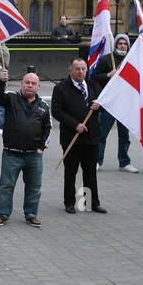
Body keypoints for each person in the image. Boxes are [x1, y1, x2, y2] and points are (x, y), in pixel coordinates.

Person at [0, 68, 51, 227]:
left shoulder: (44, 105)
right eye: (27, 82)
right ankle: (3, 213)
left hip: (34, 155)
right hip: (12, 153)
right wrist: (1, 82)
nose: (29, 85)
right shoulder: (11, 97)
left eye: (33, 83)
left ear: (38, 87)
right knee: (6, 186)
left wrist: (41, 148)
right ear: (21, 84)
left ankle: (31, 214)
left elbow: (48, 128)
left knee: (34, 187)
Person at [50, 59, 106, 215]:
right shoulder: (61, 88)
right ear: (70, 71)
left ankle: (90, 203)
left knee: (89, 173)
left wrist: (100, 106)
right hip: (72, 137)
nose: (80, 72)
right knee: (71, 172)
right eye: (77, 69)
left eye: (83, 69)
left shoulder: (94, 86)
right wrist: (75, 125)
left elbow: (104, 107)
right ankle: (69, 202)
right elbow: (57, 111)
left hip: (92, 137)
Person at [91, 34, 139, 174]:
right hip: (109, 103)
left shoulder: (131, 60)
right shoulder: (107, 59)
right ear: (116, 45)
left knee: (124, 135)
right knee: (102, 134)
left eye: (125, 44)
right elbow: (94, 77)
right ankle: (97, 161)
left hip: (125, 104)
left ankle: (124, 162)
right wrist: (108, 75)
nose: (123, 46)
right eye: (120, 43)